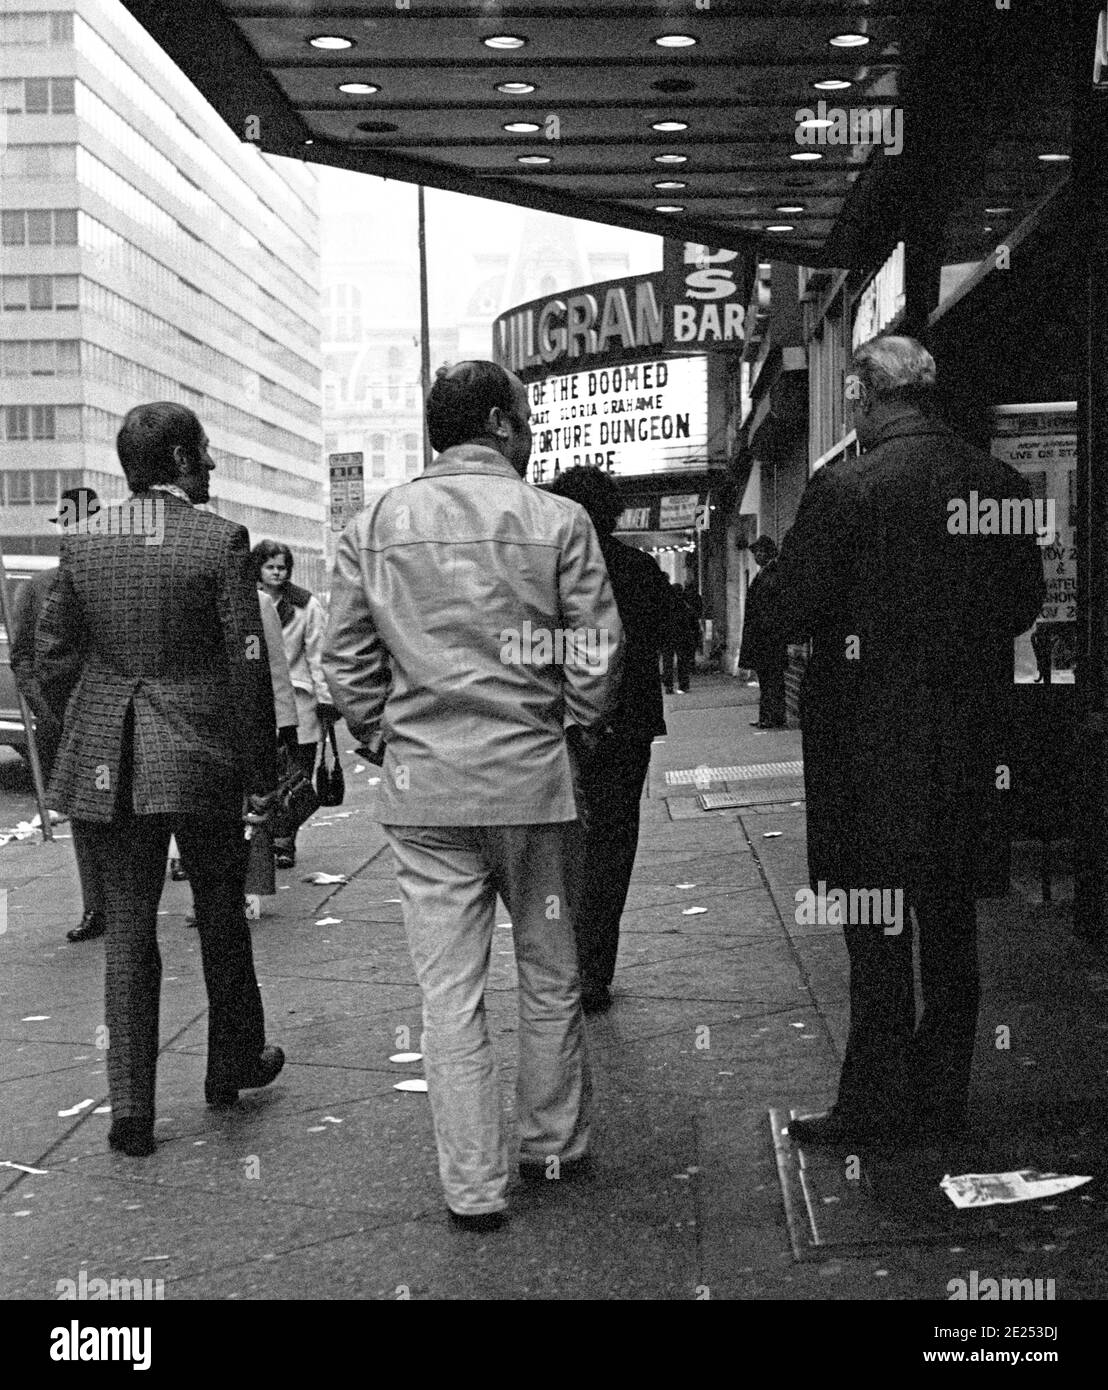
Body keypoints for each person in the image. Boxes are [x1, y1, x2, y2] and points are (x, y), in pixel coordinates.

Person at [323, 360, 622, 1231]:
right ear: (499, 422)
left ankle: (473, 1189)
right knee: (549, 970)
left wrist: (385, 736)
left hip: (425, 795)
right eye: (524, 420)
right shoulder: (556, 520)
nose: (531, 436)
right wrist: (570, 725)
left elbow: (343, 658)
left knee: (448, 995)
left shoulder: (376, 522)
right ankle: (553, 1145)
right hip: (533, 784)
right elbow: (597, 653)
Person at [771, 336, 1045, 1148]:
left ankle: (874, 1104)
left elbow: (793, 609)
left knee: (878, 928)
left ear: (863, 395)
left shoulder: (844, 488)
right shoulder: (995, 482)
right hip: (966, 742)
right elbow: (1023, 602)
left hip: (867, 748)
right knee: (952, 924)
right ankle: (941, 1098)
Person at [35, 402, 286, 1158]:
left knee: (129, 927)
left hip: (106, 760)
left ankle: (132, 1113)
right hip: (199, 753)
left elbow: (52, 659)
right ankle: (233, 1063)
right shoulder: (220, 542)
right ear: (178, 458)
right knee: (219, 912)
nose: (210, 465)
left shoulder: (83, 545)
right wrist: (260, 768)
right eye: (203, 452)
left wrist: (94, 719)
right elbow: (247, 665)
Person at [547, 465, 673, 1012]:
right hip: (628, 728)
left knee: (563, 846)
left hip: (563, 727)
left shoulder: (548, 571)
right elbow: (673, 633)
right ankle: (595, 969)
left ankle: (564, 965)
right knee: (613, 845)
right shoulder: (638, 568)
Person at [10, 487, 108, 943]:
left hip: (109, 713)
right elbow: (24, 658)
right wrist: (47, 713)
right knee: (85, 821)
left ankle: (122, 902)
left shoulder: (112, 581)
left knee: (122, 815)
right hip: (60, 722)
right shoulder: (38, 587)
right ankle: (97, 908)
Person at [252, 540, 336, 868]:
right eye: (270, 566)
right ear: (257, 569)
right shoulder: (244, 600)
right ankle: (265, 838)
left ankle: (285, 839)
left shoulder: (306, 604)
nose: (276, 573)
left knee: (298, 774)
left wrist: (327, 700)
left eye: (282, 567)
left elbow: (318, 653)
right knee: (264, 776)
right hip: (259, 700)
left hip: (299, 700)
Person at [739, 536, 788, 729]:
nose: (756, 556)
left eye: (759, 552)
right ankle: (768, 716)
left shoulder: (773, 574)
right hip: (763, 637)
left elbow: (770, 608)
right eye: (755, 552)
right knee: (767, 679)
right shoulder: (764, 574)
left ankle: (773, 717)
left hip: (768, 637)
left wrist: (767, 629)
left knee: (771, 679)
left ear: (768, 552)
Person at [662, 581, 699, 694]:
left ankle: (668, 686)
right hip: (682, 636)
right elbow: (693, 621)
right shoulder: (684, 604)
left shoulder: (665, 605)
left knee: (667, 661)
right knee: (683, 661)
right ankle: (683, 685)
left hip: (667, 636)